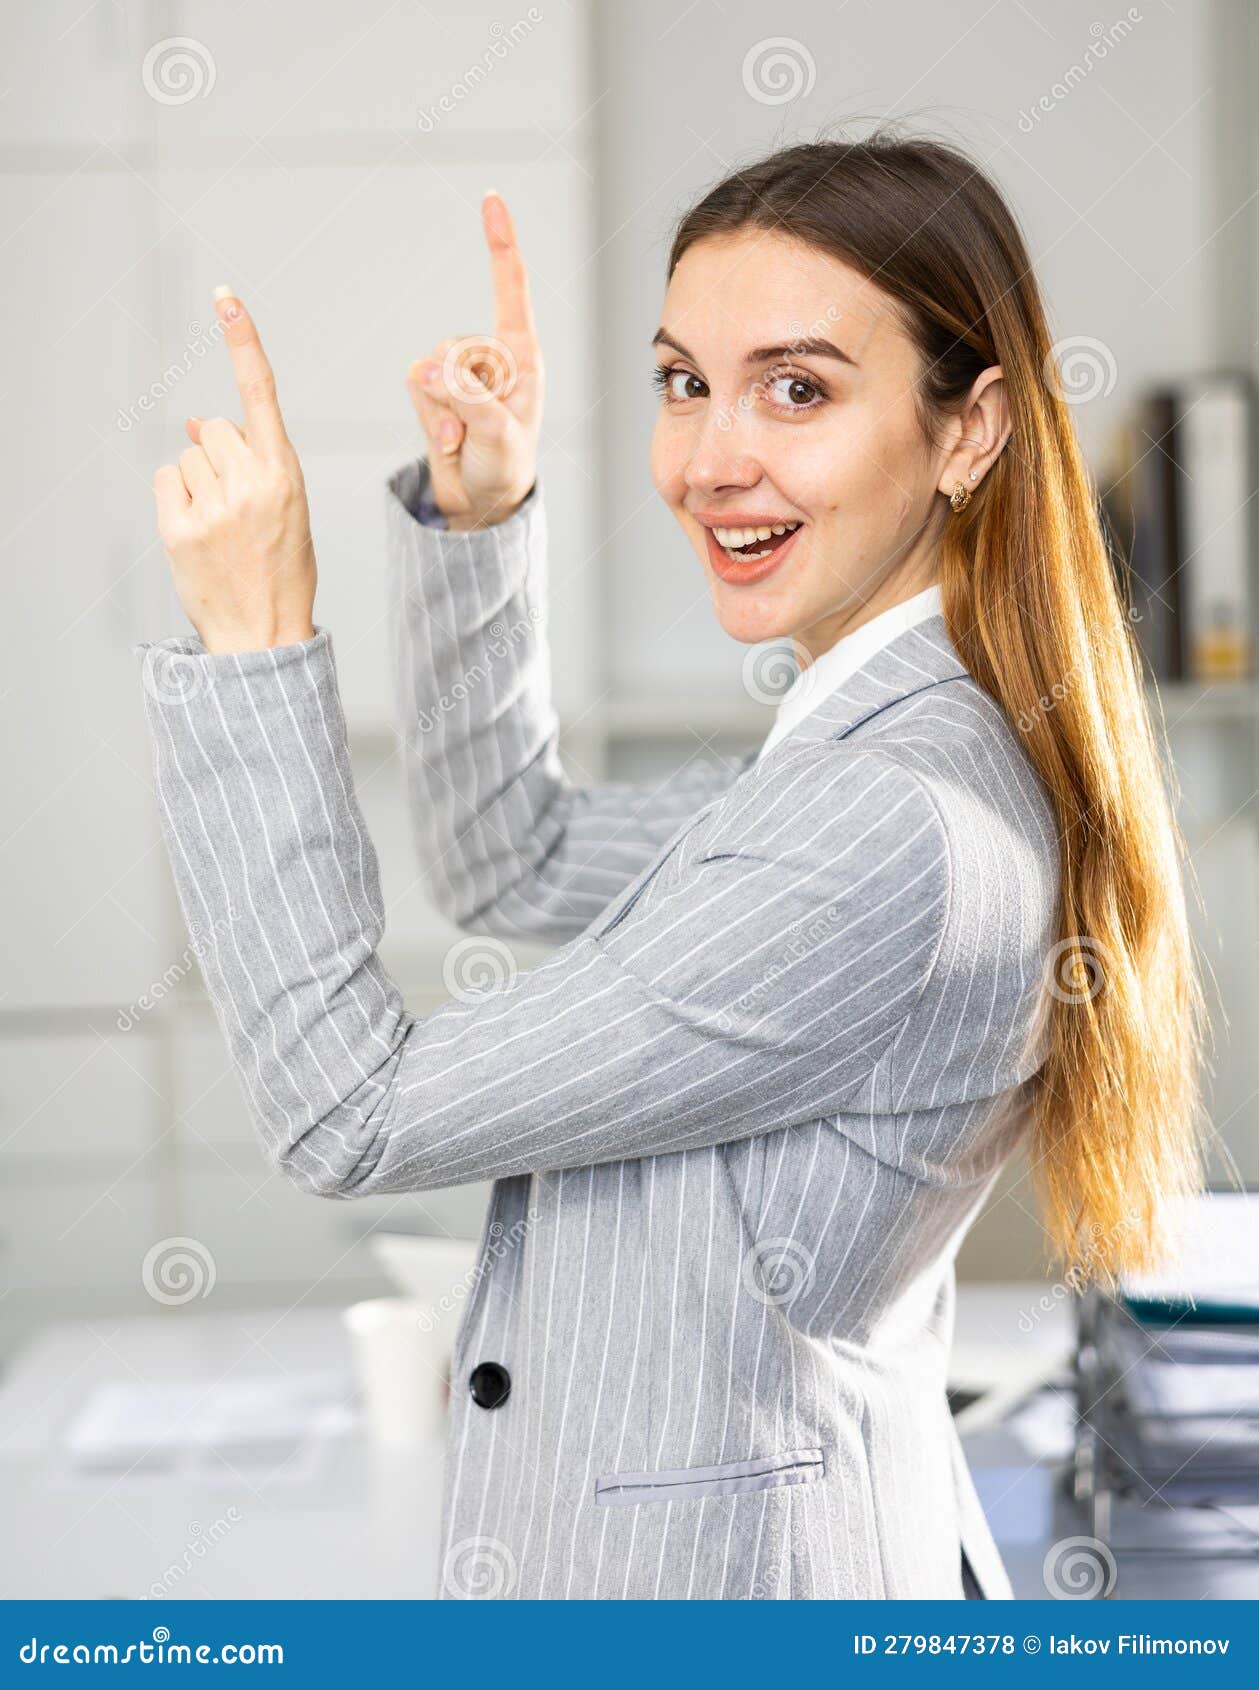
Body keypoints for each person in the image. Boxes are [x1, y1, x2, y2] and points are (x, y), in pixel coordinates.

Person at [137, 131, 1204, 1600]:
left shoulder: (881, 825)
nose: (710, 460)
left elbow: (349, 1112)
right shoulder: (881, 754)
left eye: (798, 389)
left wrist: (256, 643)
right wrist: (479, 519)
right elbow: (519, 857)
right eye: (685, 382)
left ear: (972, 431)